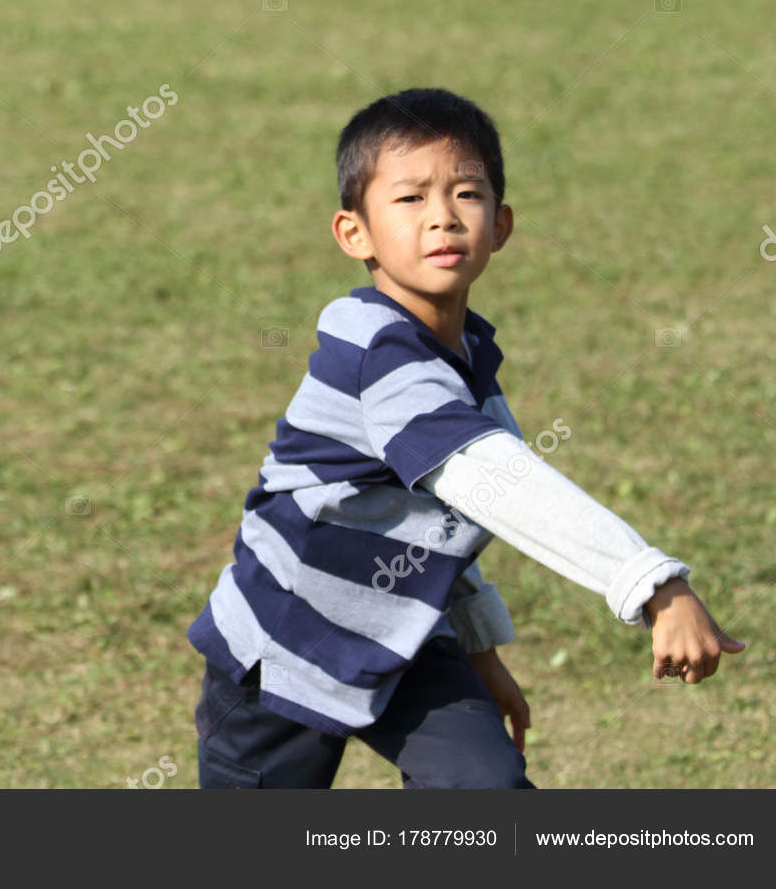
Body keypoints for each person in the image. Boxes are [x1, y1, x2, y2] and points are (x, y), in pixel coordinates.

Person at [186, 88, 745, 789]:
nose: (443, 216)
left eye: (466, 193)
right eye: (411, 198)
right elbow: (493, 482)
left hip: (403, 639)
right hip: (282, 647)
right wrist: (653, 583)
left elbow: (438, 519)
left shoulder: (463, 353)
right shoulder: (377, 355)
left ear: (501, 224)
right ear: (352, 232)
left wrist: (478, 652)